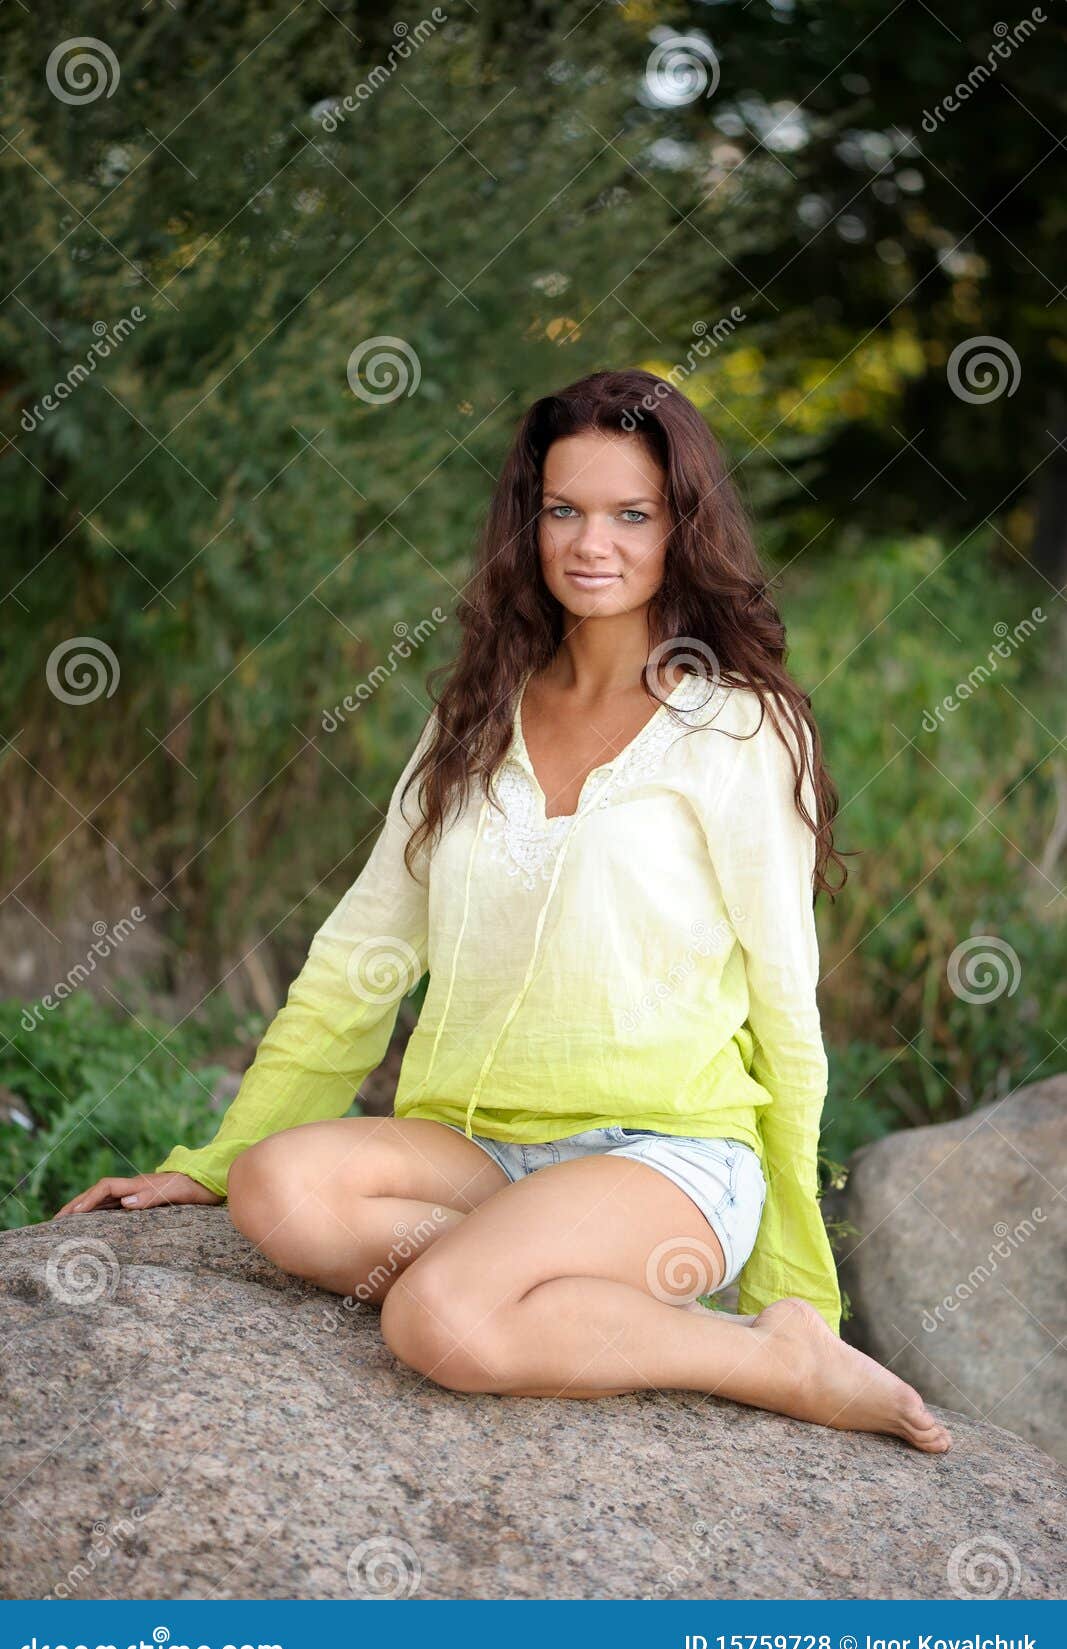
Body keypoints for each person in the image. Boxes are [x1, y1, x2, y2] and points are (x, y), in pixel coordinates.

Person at [57, 369, 951, 1453]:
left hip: (661, 1155)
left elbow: (782, 999)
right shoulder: (477, 715)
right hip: (472, 1146)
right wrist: (209, 1158)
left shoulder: (737, 727)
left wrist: (797, 1279)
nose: (591, 543)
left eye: (632, 514)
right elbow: (362, 956)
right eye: (563, 509)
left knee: (439, 1316)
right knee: (277, 1189)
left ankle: (771, 1357)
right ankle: (544, 1266)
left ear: (683, 528)